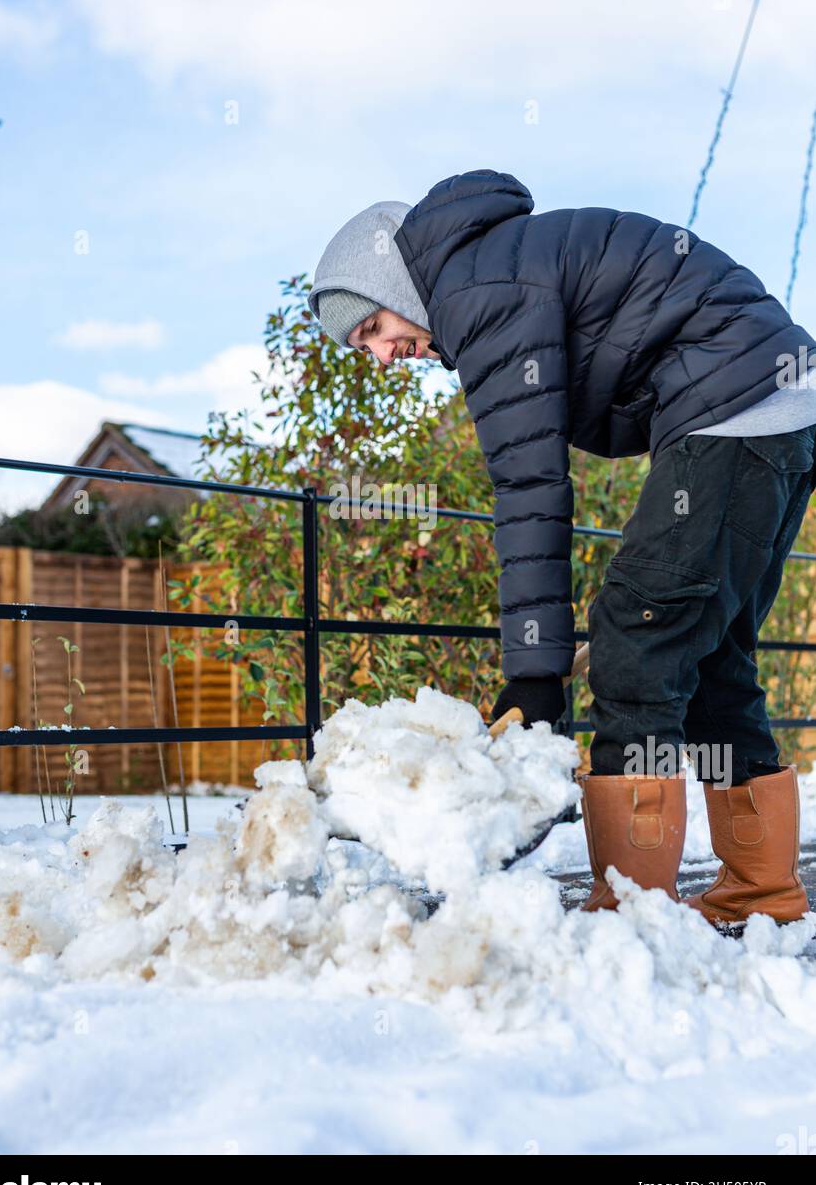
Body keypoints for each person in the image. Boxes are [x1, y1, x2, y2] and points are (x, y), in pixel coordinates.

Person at [308, 169, 816, 925]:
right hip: (778, 409)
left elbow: (531, 493)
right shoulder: (495, 266)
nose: (382, 354)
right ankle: (760, 888)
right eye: (364, 347)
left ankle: (633, 902)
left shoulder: (477, 292)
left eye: (373, 330)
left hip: (737, 407)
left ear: (396, 286)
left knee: (637, 631)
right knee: (707, 648)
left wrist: (536, 675)